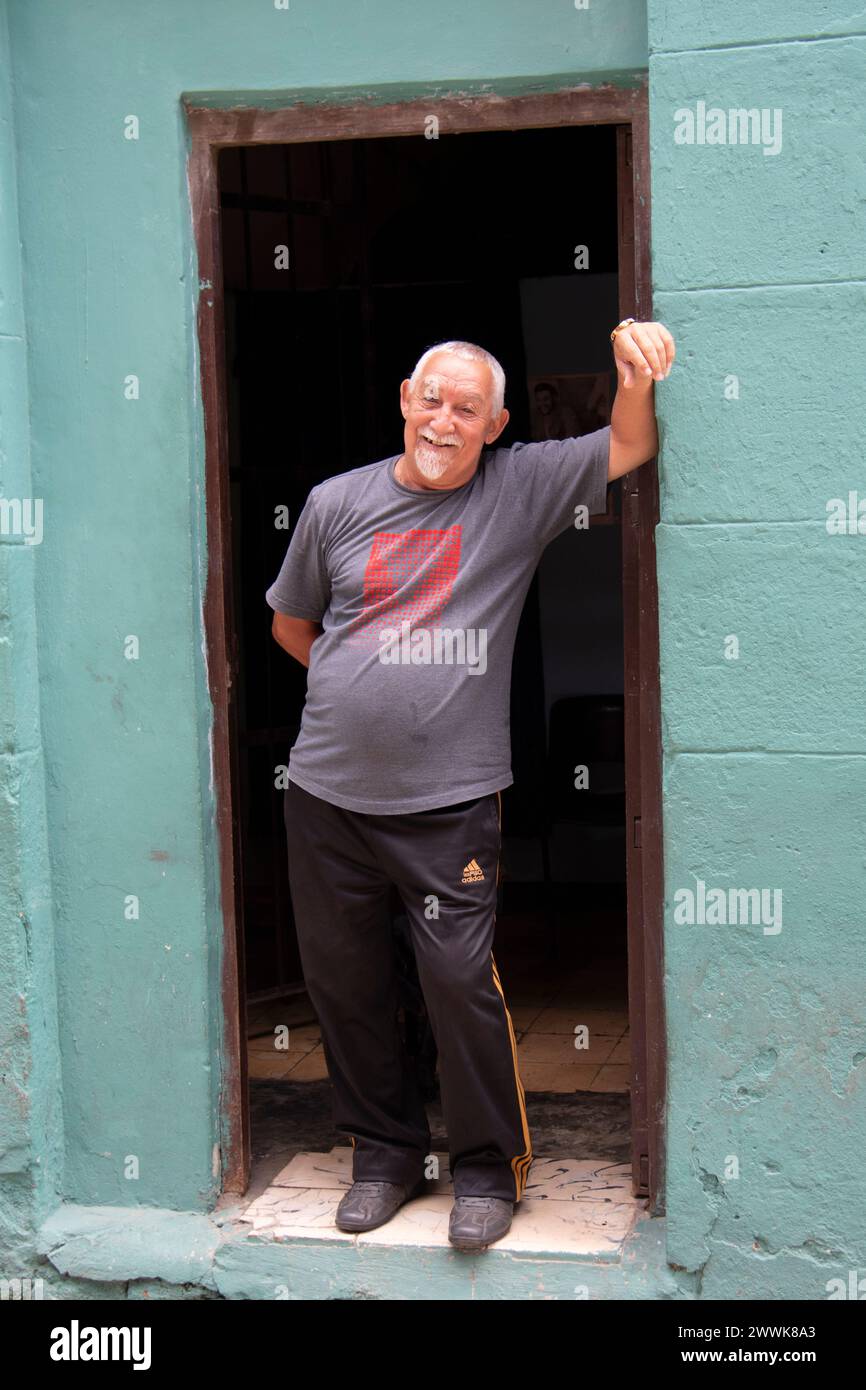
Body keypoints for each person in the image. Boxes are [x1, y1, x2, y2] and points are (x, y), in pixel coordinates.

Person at [266, 320, 675, 1252]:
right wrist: (361, 685)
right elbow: (293, 626)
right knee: (348, 982)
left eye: (467, 409)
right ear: (406, 402)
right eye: (431, 400)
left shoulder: (519, 488)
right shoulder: (336, 502)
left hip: (449, 803)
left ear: (495, 426)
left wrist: (635, 373)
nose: (444, 421)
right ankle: (384, 1156)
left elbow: (628, 443)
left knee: (458, 983)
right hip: (327, 794)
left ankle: (489, 1171)